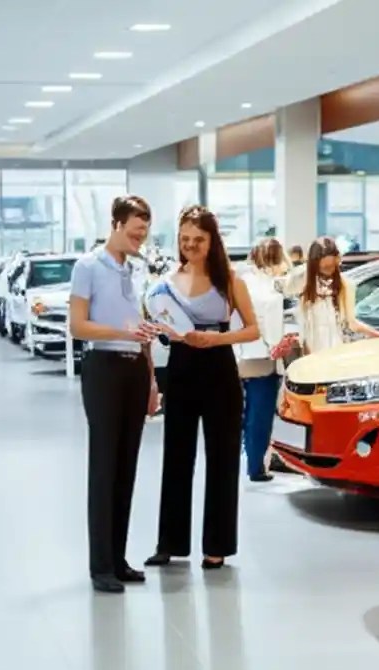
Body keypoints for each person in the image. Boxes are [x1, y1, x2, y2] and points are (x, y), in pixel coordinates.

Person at [144, 206, 259, 571]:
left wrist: (217, 338)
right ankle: (170, 543)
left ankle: (218, 545)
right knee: (176, 455)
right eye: (185, 239)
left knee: (222, 458)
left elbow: (253, 330)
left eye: (198, 239)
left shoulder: (230, 280)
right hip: (179, 367)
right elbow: (157, 322)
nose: (191, 245)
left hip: (218, 368)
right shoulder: (166, 282)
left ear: (212, 241)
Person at [68, 195, 163, 594]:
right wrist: (125, 333)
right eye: (136, 231)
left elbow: (141, 328)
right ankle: (100, 565)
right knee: (105, 466)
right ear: (116, 225)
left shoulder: (137, 270)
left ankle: (118, 558)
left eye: (145, 232)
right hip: (103, 369)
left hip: (134, 370)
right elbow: (78, 326)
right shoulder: (87, 266)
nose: (141, 238)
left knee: (126, 467)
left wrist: (152, 379)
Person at [237, 238, 290, 483]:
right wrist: (282, 346)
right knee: (260, 415)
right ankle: (256, 466)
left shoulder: (241, 282)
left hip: (239, 355)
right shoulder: (270, 292)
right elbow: (273, 333)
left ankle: (243, 459)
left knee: (244, 414)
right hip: (263, 358)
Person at [291, 237, 379, 356]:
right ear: (314, 264)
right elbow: (281, 286)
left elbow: (352, 323)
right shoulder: (303, 283)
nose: (329, 271)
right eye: (324, 267)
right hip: (311, 356)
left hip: (336, 353)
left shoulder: (345, 286)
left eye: (332, 266)